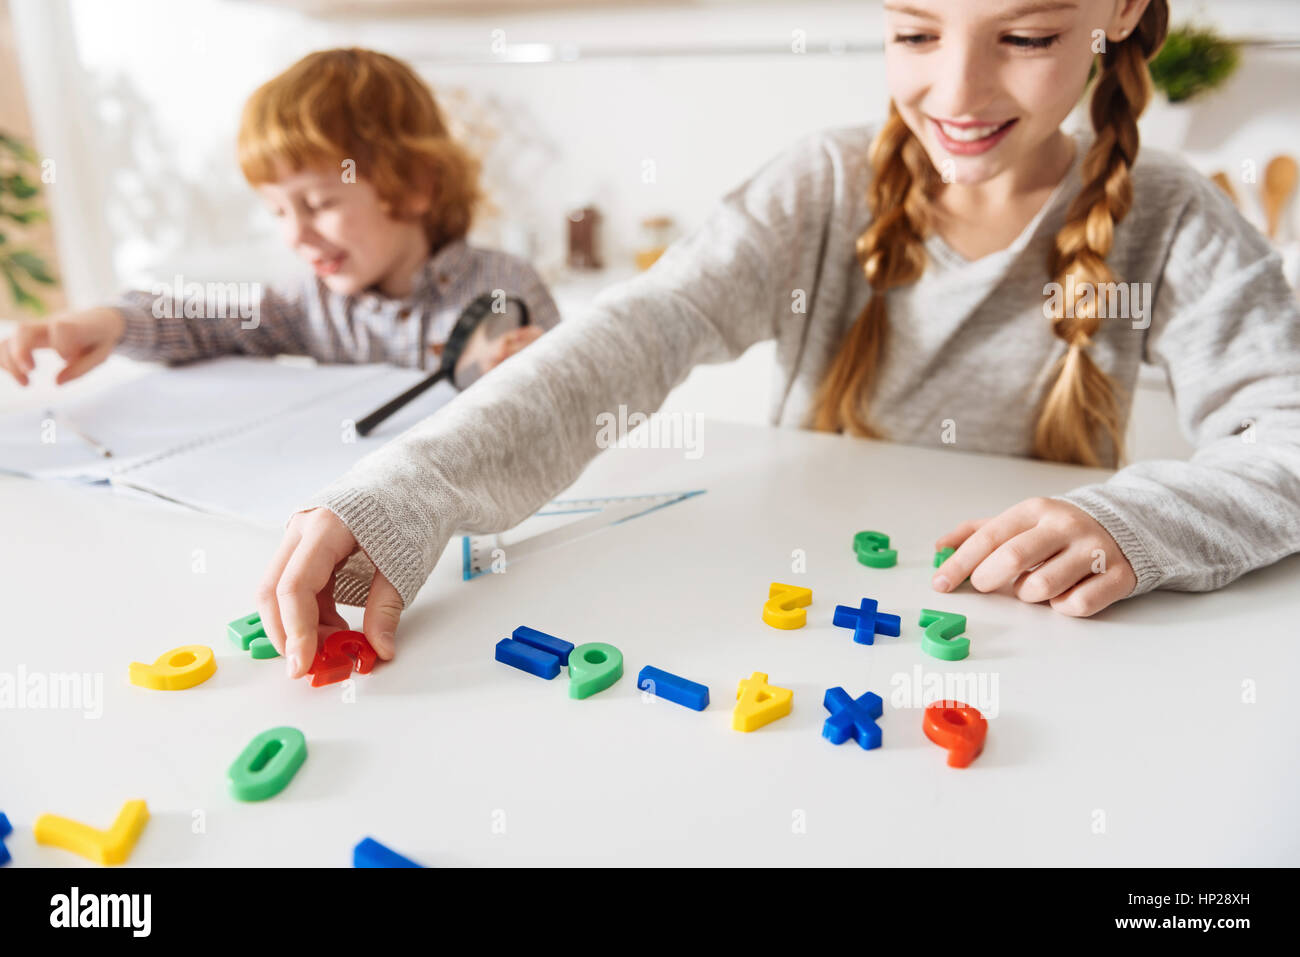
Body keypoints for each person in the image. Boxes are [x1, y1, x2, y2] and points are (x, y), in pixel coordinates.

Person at [249, 2, 1299, 678]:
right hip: (794, 624)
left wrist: (1138, 519)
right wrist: (412, 488)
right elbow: (645, 326)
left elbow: (1285, 431)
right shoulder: (823, 182)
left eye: (1025, 37)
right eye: (915, 33)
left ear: (1114, 14)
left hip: (1025, 647)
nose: (958, 93)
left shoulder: (1168, 212)